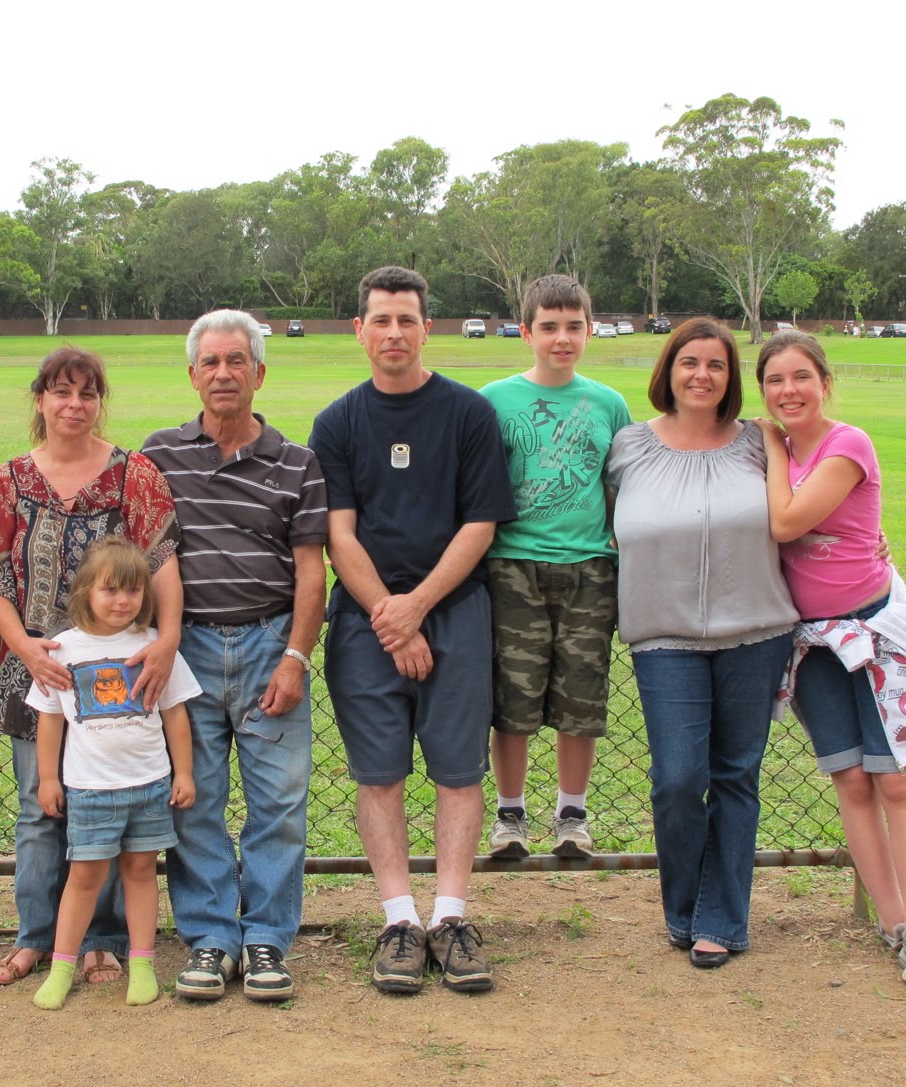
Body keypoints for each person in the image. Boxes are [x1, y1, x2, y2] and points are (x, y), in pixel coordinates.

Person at [309, 266, 516, 994]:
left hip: (454, 608)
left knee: (458, 770)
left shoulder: (467, 413)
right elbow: (340, 532)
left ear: (428, 328)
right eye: (380, 320)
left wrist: (419, 606)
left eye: (407, 319)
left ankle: (451, 918)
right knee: (380, 771)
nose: (393, 332)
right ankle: (399, 920)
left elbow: (481, 522)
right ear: (359, 330)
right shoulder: (337, 422)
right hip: (368, 620)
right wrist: (392, 622)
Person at [754, 330, 906, 989]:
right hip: (813, 641)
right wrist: (770, 449)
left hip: (876, 633)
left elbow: (788, 522)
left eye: (801, 377)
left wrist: (765, 445)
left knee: (900, 781)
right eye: (775, 380)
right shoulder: (780, 451)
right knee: (850, 780)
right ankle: (896, 923)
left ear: (825, 382)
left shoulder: (847, 443)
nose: (789, 390)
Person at [0, 345, 182, 988]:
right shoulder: (8, 481)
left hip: (121, 668)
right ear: (40, 399)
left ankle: (104, 939)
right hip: (35, 666)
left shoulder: (134, 477)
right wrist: (25, 645)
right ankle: (37, 937)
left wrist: (168, 639)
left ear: (100, 402)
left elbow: (163, 562)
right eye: (61, 392)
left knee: (118, 804)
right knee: (43, 806)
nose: (75, 405)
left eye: (87, 394)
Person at [143, 309, 327, 1003]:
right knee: (195, 799)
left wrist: (295, 657)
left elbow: (312, 572)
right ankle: (212, 935)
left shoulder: (297, 462)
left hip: (266, 641)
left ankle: (267, 938)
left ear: (259, 372)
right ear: (193, 374)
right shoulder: (158, 457)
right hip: (184, 647)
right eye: (211, 362)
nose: (224, 373)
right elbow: (145, 554)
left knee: (279, 800)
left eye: (236, 360)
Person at [605, 318, 797, 969]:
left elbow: (811, 507)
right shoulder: (629, 446)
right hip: (663, 639)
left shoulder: (760, 442)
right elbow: (603, 528)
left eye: (715, 364)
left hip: (757, 631)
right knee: (679, 779)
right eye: (690, 362)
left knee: (736, 776)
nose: (701, 375)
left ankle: (721, 918)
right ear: (669, 370)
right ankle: (682, 907)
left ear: (730, 377)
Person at [479, 275, 630, 860]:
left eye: (573, 327)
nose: (561, 339)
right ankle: (510, 815)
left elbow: (619, 489)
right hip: (513, 564)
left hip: (590, 567)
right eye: (549, 327)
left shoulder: (608, 404)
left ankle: (572, 812)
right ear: (526, 332)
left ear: (589, 331)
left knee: (580, 697)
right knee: (512, 699)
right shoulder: (495, 400)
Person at [25, 537, 200, 1009]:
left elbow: (175, 713)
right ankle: (63, 965)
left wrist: (183, 773)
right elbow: (50, 717)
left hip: (148, 783)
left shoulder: (155, 646)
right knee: (84, 877)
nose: (123, 601)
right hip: (90, 789)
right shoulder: (63, 649)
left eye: (134, 591)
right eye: (110, 590)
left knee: (142, 871)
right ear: (86, 591)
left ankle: (141, 962)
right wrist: (47, 779)